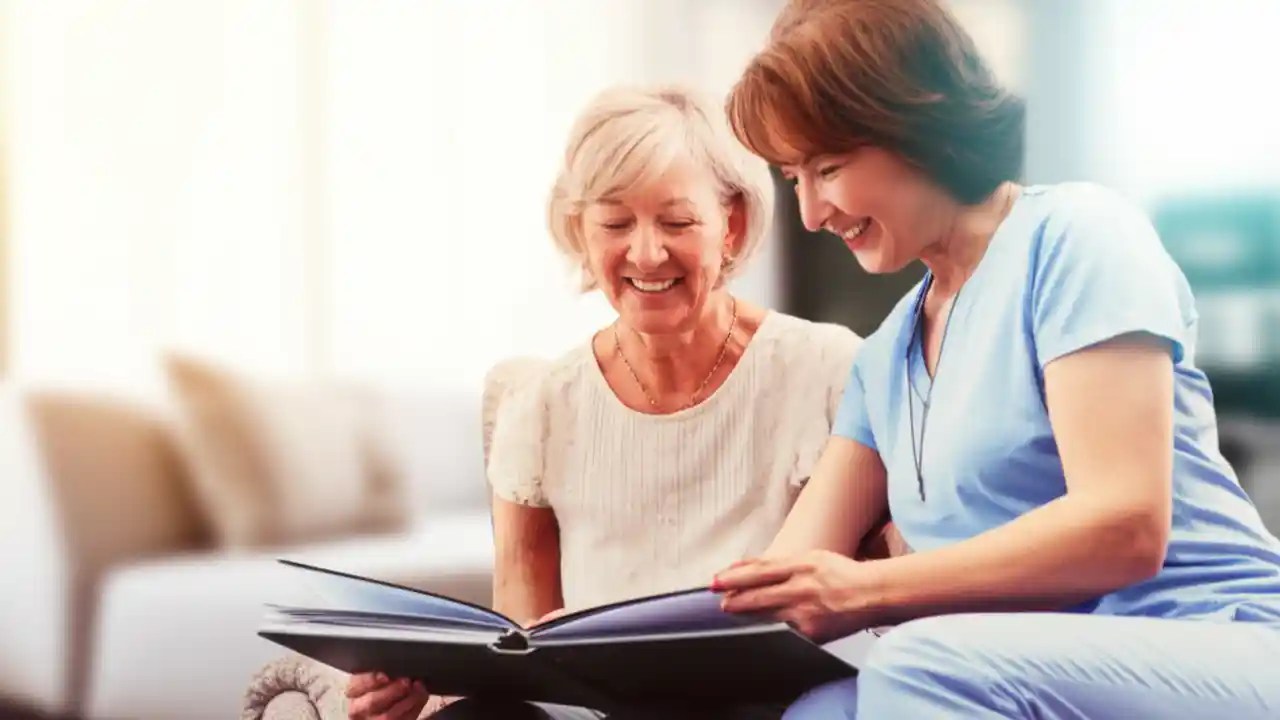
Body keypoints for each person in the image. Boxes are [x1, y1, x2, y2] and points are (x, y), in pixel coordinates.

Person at [710, 0, 1280, 717]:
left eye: (828, 168)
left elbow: (1124, 529)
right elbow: (785, 585)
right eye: (794, 178)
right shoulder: (883, 360)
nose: (813, 214)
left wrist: (865, 591)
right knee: (820, 708)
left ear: (915, 127)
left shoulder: (1077, 238)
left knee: (920, 666)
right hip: (1030, 664)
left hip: (1210, 637)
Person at [344, 84, 867, 720]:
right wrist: (426, 683)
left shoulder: (825, 369)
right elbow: (522, 648)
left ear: (731, 224)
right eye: (615, 224)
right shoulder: (538, 407)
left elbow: (870, 586)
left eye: (677, 222)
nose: (646, 253)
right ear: (580, 231)